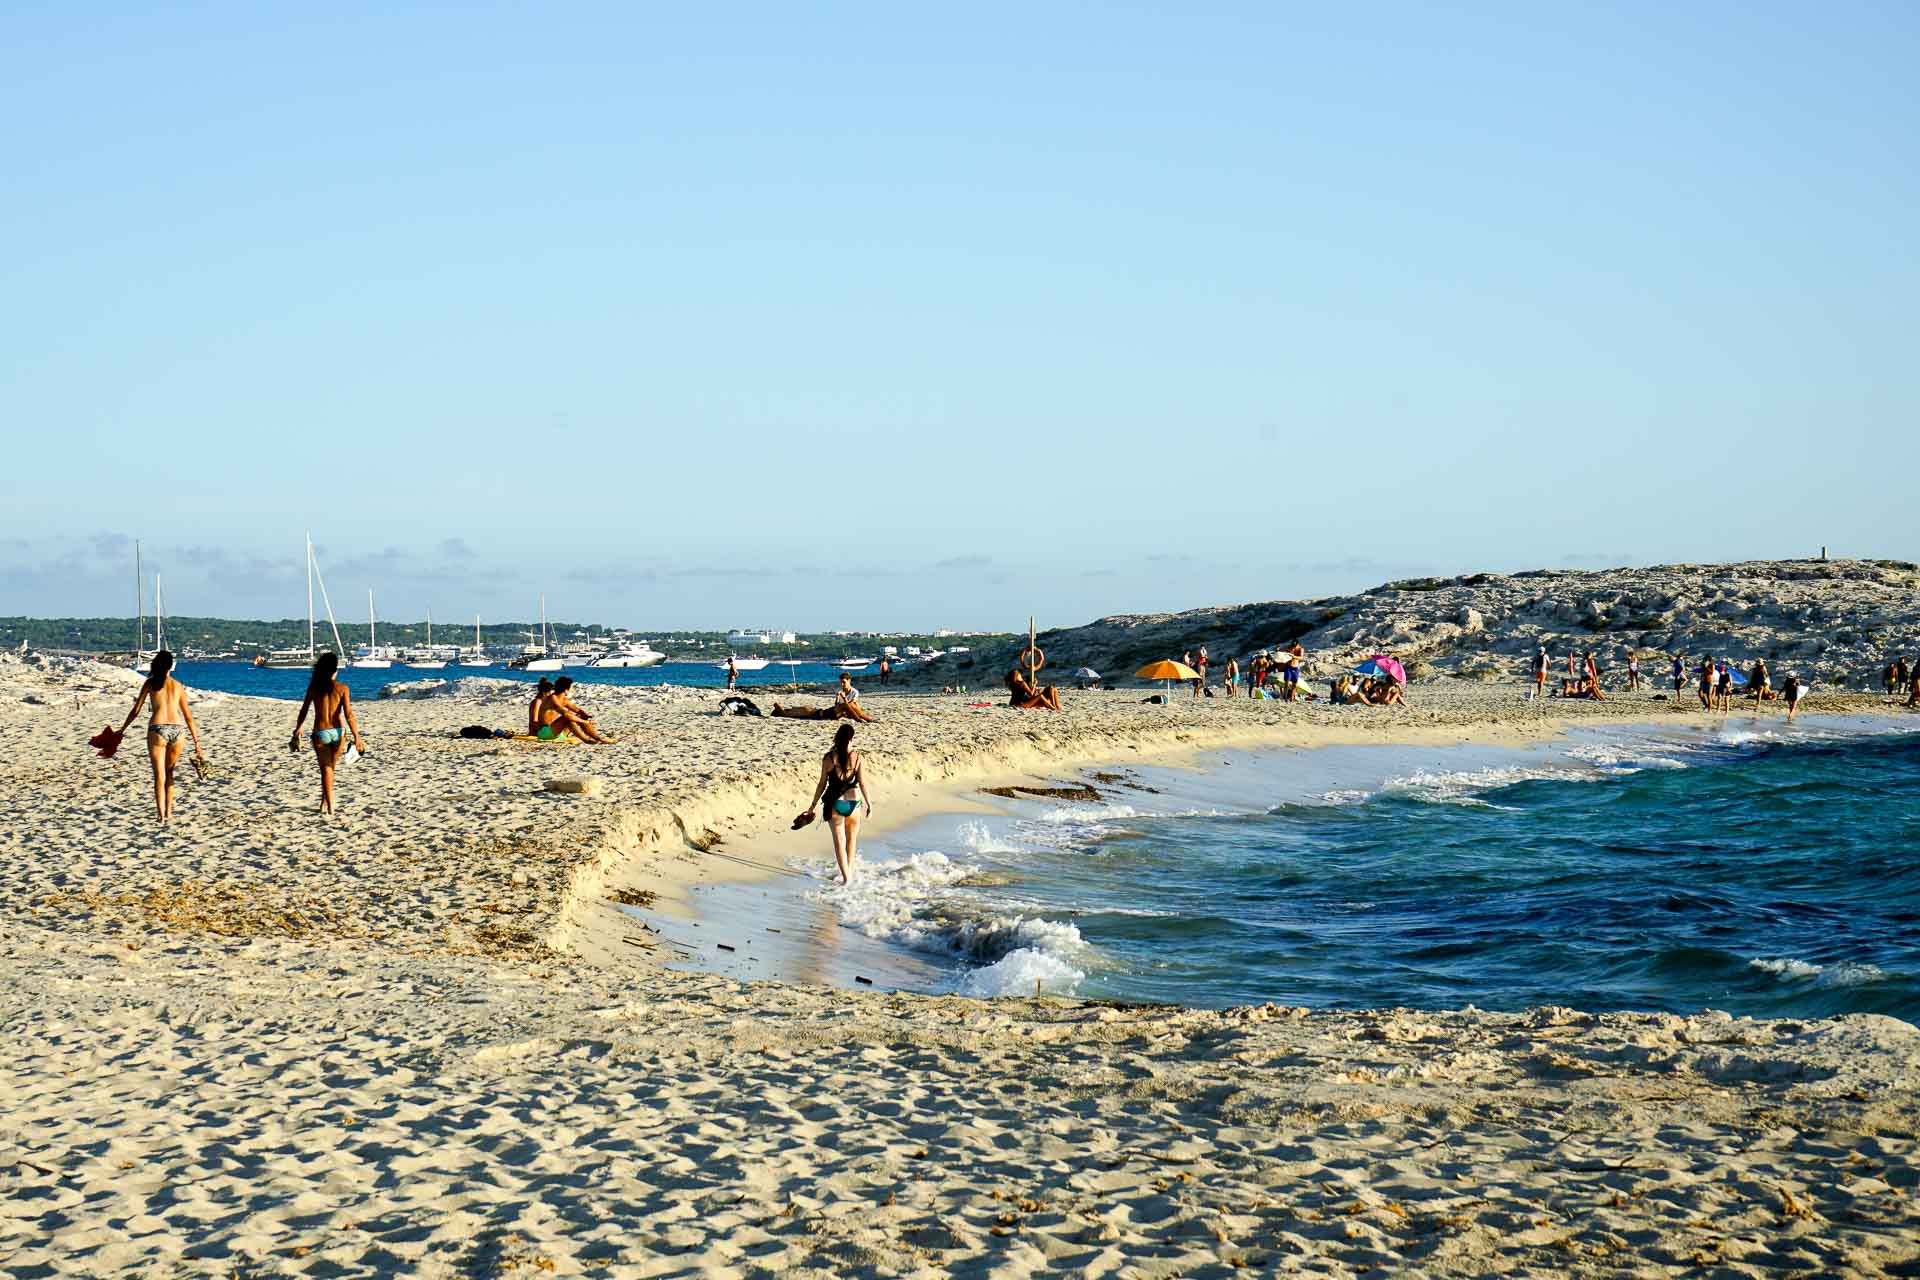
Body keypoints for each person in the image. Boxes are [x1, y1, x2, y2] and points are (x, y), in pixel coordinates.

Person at [113, 649, 203, 824]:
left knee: (159, 776)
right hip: (178, 730)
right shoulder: (178, 685)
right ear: (170, 666)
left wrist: (122, 729)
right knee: (170, 773)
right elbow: (188, 716)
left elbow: (136, 710)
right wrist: (197, 742)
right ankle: (169, 813)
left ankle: (161, 816)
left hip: (157, 729)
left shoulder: (150, 683)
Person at [290, 652, 363, 816]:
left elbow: (304, 710)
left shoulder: (314, 688)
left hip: (321, 732)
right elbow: (349, 715)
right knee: (330, 768)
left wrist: (298, 728)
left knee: (326, 769)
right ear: (334, 671)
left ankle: (330, 808)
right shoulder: (343, 688)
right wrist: (357, 737)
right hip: (339, 732)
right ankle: (324, 802)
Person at [804, 723, 871, 885]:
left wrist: (812, 806)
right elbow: (863, 783)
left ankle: (846, 879)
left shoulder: (829, 758)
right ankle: (850, 874)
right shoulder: (858, 757)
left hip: (835, 804)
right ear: (851, 739)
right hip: (854, 803)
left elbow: (822, 784)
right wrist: (869, 803)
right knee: (851, 841)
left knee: (839, 842)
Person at [550, 677, 614, 743]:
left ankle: (598, 738)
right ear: (566, 690)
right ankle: (586, 740)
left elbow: (578, 710)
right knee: (568, 717)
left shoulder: (564, 700)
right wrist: (584, 722)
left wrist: (587, 717)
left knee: (578, 716)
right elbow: (566, 715)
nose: (571, 690)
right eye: (570, 688)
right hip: (544, 732)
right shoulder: (552, 698)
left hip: (556, 731)